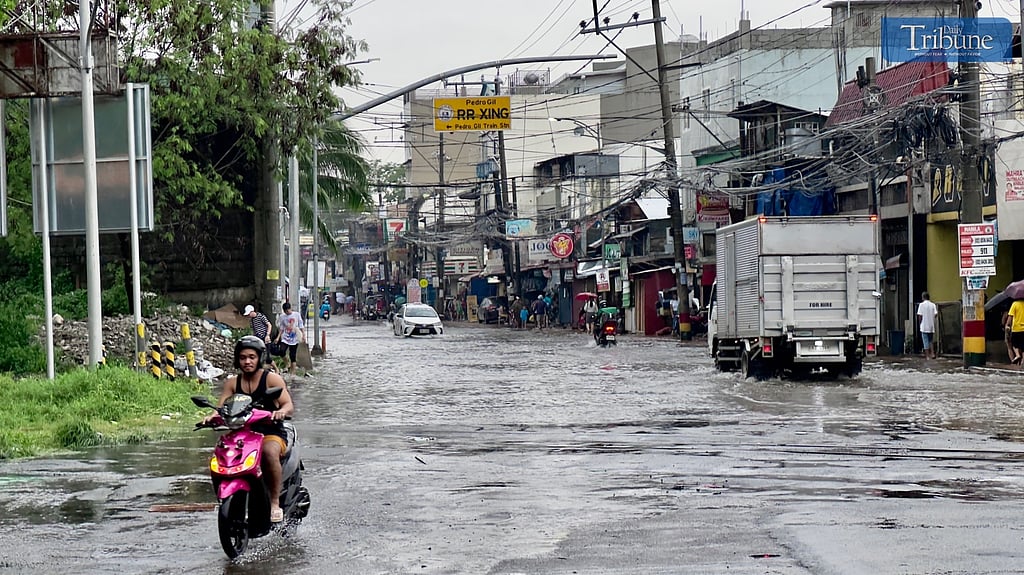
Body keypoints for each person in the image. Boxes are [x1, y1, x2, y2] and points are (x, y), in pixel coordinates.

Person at [203, 336, 294, 523]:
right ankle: (227, 498)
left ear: (260, 358)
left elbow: (288, 404)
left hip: (270, 431)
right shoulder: (232, 383)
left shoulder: (272, 379)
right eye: (243, 357)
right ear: (238, 359)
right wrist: (211, 417)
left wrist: (281, 412)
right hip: (241, 434)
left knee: (269, 452)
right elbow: (222, 408)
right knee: (219, 456)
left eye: (252, 357)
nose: (247, 361)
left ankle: (274, 502)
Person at [276, 302, 305, 374]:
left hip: (294, 338)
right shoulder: (282, 316)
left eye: (287, 311)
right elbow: (281, 328)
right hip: (285, 337)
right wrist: (278, 337)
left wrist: (303, 335)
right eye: (285, 311)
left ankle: (293, 373)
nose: (287, 313)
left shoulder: (296, 314)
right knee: (281, 351)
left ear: (290, 309)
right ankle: (287, 363)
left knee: (293, 355)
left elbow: (301, 325)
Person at [916, 291, 938, 359]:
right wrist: (931, 318)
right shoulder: (933, 305)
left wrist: (920, 323)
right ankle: (933, 354)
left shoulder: (921, 305)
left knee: (925, 341)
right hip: (931, 325)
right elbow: (936, 314)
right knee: (930, 340)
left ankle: (927, 356)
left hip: (924, 325)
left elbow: (920, 315)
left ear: (923, 297)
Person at [1008, 298, 1024, 366]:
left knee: (1014, 344)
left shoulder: (1015, 304)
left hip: (1016, 329)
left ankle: (1017, 355)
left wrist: (1008, 325)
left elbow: (1010, 316)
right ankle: (1022, 363)